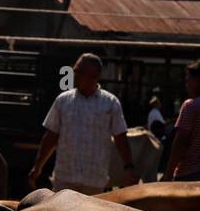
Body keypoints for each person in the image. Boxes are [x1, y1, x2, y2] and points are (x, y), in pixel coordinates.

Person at [27, 53, 134, 195]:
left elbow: (120, 137)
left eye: (79, 71)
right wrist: (37, 166)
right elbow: (51, 135)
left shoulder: (110, 104)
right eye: (75, 70)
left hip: (94, 182)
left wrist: (129, 167)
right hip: (65, 180)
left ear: (94, 76)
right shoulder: (63, 101)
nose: (74, 74)